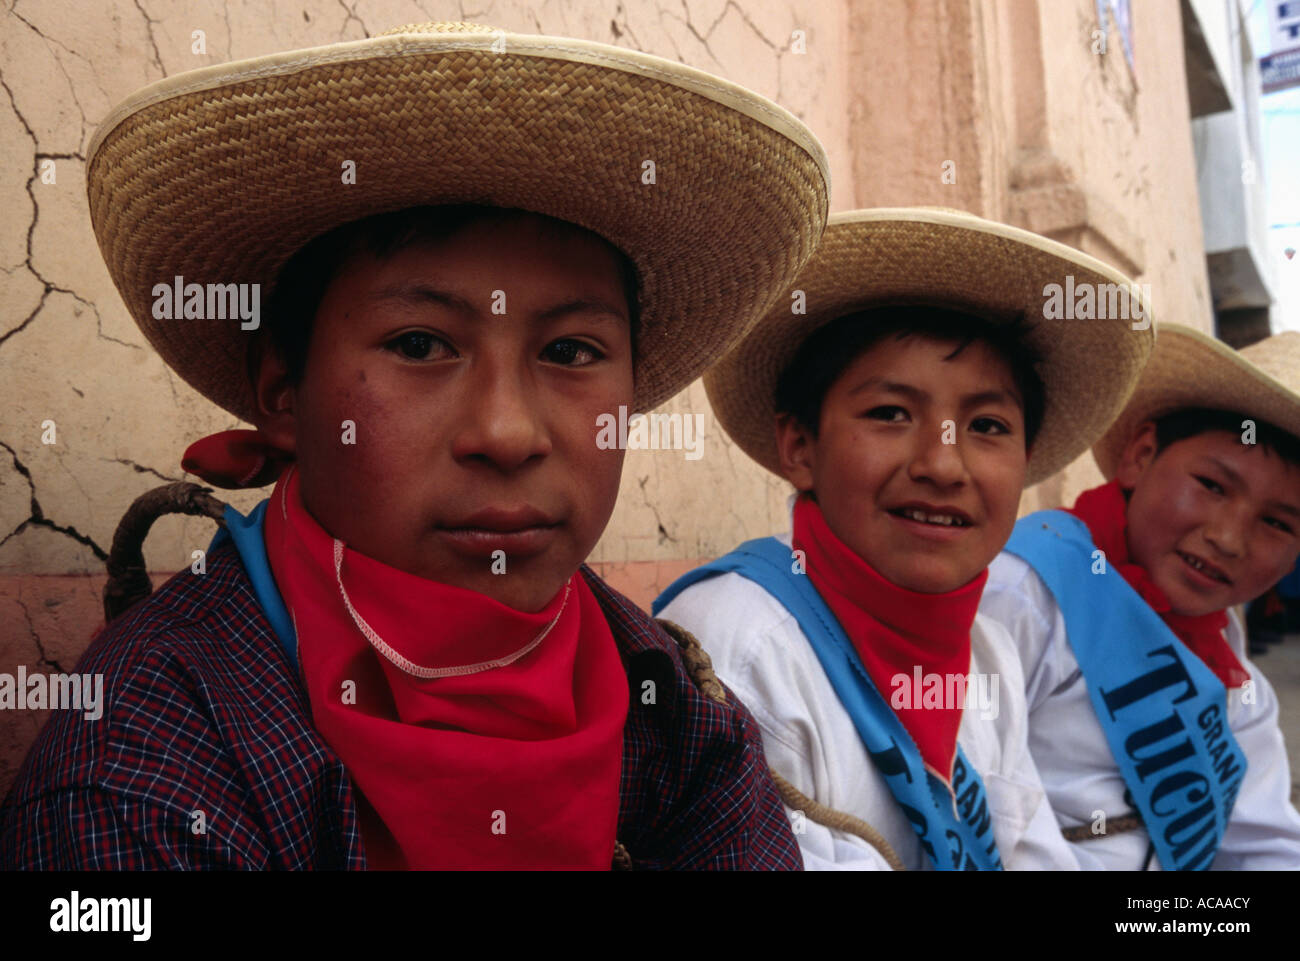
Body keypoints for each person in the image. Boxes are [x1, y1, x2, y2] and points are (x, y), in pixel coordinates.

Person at [0, 21, 831, 870]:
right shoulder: (139, 782)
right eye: (420, 344)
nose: (508, 433)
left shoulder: (664, 702)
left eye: (571, 352)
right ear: (285, 392)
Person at [654, 207, 1153, 869]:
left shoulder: (988, 649)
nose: (942, 465)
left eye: (988, 426)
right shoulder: (740, 654)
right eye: (890, 413)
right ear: (800, 445)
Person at [982, 323, 1300, 870]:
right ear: (1140, 455)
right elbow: (975, 805)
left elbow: (1266, 842)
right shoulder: (1023, 589)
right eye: (1213, 486)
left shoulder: (1226, 658)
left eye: (1276, 522)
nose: (1228, 538)